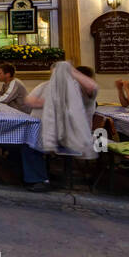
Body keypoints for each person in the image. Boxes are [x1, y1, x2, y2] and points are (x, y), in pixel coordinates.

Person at [19, 62, 100, 192]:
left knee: (30, 144)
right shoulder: (46, 86)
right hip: (46, 131)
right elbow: (29, 101)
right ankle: (27, 173)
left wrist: (71, 71)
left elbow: (91, 87)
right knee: (23, 139)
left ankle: (39, 180)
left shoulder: (82, 92)